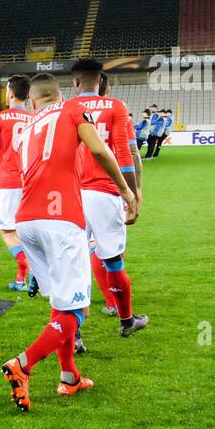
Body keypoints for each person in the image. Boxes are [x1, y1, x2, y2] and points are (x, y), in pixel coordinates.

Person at [0, 73, 138, 413]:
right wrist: (125, 189)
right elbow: (99, 148)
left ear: (33, 100)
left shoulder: (26, 127)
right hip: (60, 219)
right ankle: (23, 364)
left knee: (62, 302)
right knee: (77, 309)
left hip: (26, 220)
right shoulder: (72, 110)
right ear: (58, 95)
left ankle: (69, 377)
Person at [69, 58, 149, 337]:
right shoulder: (116, 107)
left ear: (76, 82)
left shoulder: (68, 108)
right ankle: (126, 321)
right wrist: (132, 192)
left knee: (74, 259)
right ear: (100, 80)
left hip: (72, 195)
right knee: (113, 258)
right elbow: (126, 155)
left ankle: (73, 332)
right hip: (104, 192)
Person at [0, 75, 32, 290]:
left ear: (10, 93)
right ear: (28, 95)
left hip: (9, 181)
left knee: (7, 231)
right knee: (23, 232)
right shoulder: (34, 118)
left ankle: (29, 267)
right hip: (31, 181)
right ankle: (21, 280)